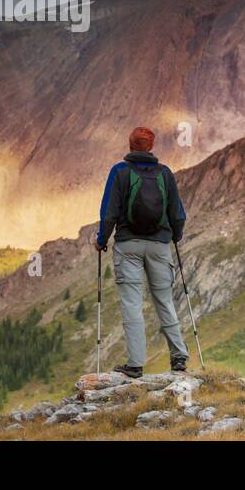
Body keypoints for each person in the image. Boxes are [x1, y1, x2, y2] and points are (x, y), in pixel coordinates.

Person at [93, 125, 188, 377]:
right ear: (151, 147)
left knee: (132, 304)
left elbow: (109, 212)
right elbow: (177, 214)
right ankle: (178, 358)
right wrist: (174, 237)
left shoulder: (119, 172)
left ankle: (135, 365)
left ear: (130, 145)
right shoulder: (165, 173)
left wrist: (101, 239)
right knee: (164, 301)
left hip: (128, 246)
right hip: (160, 246)